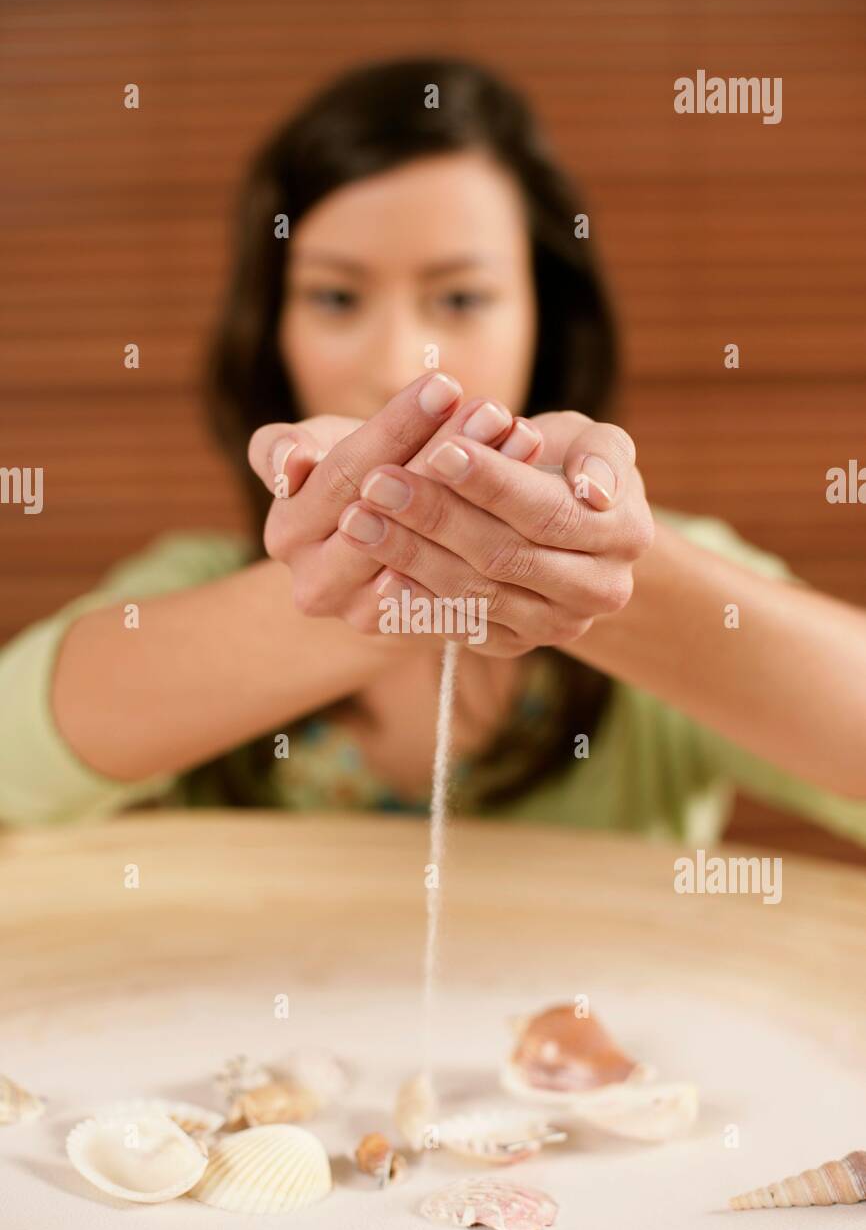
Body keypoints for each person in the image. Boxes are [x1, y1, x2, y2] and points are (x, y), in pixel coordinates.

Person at [2, 57, 865, 853]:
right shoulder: (192, 584)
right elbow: (18, 764)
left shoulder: (676, 567)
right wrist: (376, 578)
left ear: (544, 322)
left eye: (460, 297)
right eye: (336, 296)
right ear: (273, 333)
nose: (398, 364)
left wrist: (594, 575)